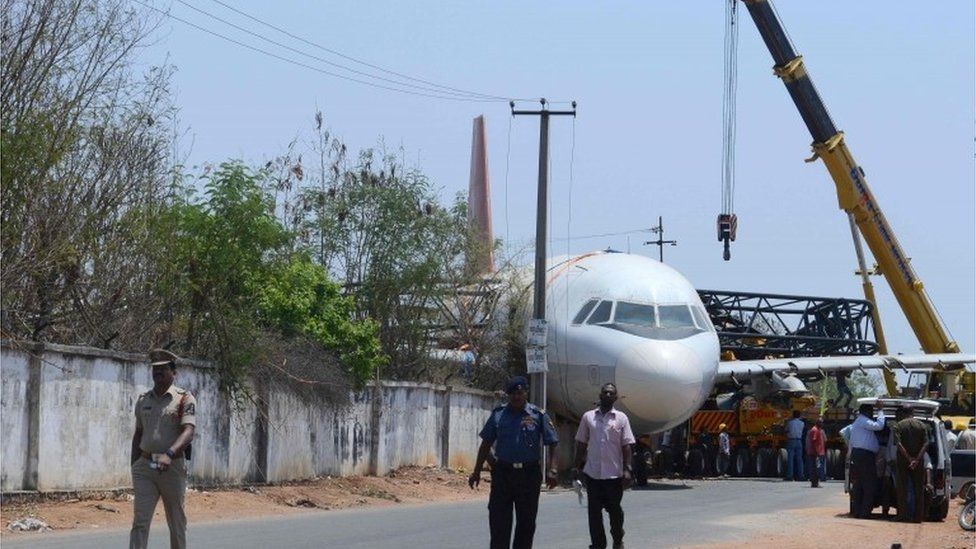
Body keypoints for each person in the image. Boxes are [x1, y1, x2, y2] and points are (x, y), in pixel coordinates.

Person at [469, 376, 558, 549]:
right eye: (512, 394)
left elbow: (553, 442)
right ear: (508, 395)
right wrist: (477, 471)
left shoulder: (538, 415)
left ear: (526, 393)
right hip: (503, 475)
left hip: (529, 475)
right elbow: (486, 443)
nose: (516, 397)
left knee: (526, 524)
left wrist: (553, 470)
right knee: (499, 522)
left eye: (520, 393)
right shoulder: (498, 415)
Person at [130, 349, 197, 549]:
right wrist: (135, 464)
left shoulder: (184, 399)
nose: (158, 372)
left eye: (163, 368)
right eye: (155, 369)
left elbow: (188, 431)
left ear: (173, 372)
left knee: (176, 521)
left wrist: (169, 454)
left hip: (172, 467)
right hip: (145, 467)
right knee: (140, 521)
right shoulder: (143, 400)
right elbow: (138, 433)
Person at [575, 383, 635, 549]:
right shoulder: (588, 417)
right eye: (605, 392)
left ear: (615, 398)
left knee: (615, 512)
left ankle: (617, 539)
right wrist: (576, 467)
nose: (608, 395)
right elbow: (581, 443)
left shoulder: (621, 418)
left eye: (611, 393)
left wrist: (627, 469)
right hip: (593, 475)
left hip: (614, 476)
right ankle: (598, 545)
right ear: (600, 395)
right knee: (594, 514)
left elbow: (627, 446)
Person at [893, 404, 930, 523]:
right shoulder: (922, 425)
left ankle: (902, 515)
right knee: (919, 488)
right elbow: (926, 443)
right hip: (918, 462)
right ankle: (918, 517)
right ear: (913, 412)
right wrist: (917, 459)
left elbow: (898, 444)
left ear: (903, 413)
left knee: (902, 488)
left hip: (903, 461)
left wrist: (909, 459)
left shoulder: (898, 426)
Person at [849, 400, 885, 519]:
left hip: (859, 455)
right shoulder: (863, 421)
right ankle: (864, 512)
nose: (872, 414)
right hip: (864, 456)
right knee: (869, 485)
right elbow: (879, 426)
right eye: (871, 412)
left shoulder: (858, 422)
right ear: (867, 412)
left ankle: (858, 511)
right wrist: (880, 410)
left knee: (859, 485)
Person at [784, 410, 806, 481]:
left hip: (791, 440)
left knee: (790, 459)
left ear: (793, 415)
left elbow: (786, 430)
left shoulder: (790, 423)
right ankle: (801, 475)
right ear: (799, 415)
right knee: (800, 459)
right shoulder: (802, 423)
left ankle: (790, 476)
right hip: (799, 441)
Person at [805, 418, 826, 487]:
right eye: (821, 422)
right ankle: (815, 483)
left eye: (822, 423)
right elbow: (814, 441)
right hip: (815, 453)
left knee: (816, 468)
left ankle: (815, 483)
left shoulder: (818, 430)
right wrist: (817, 453)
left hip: (817, 452)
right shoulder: (815, 430)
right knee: (815, 469)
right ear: (817, 423)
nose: (822, 424)